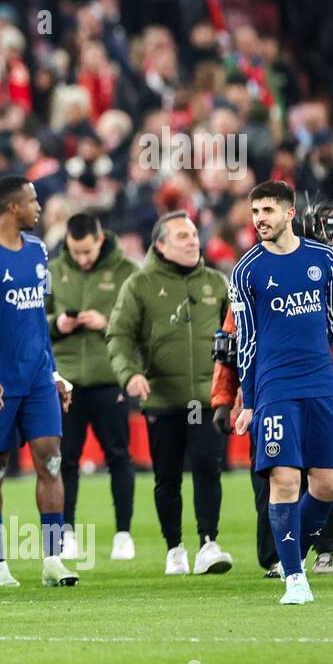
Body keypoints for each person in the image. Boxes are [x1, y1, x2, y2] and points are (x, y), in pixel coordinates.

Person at [229, 181, 333, 605]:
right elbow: (245, 340)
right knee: (283, 481)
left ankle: (292, 557)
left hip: (322, 385)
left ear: (289, 213)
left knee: (327, 486)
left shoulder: (322, 259)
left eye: (267, 210)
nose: (259, 219)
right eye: (254, 212)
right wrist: (248, 400)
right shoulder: (246, 271)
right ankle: (295, 579)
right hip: (275, 388)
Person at [0, 178, 78, 588]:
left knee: (52, 459)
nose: (38, 207)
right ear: (12, 207)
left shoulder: (39, 251)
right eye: (32, 200)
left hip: (37, 378)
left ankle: (53, 560)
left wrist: (54, 371)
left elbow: (37, 324)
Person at [107, 210, 233, 576]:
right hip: (162, 399)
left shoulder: (216, 282)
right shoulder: (139, 284)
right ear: (161, 244)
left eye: (194, 233)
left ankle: (209, 543)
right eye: (182, 236)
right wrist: (129, 373)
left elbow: (237, 337)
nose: (193, 240)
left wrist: (238, 386)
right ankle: (175, 547)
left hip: (204, 400)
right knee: (167, 476)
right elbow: (119, 335)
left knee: (208, 466)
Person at [46, 213, 139, 561]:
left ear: (100, 240)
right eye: (75, 251)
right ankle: (66, 531)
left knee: (119, 456)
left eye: (86, 251)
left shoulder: (127, 271)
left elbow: (139, 324)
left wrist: (107, 323)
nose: (82, 258)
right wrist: (59, 322)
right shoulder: (54, 270)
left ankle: (123, 534)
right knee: (64, 459)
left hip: (109, 377)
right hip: (65, 379)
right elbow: (35, 319)